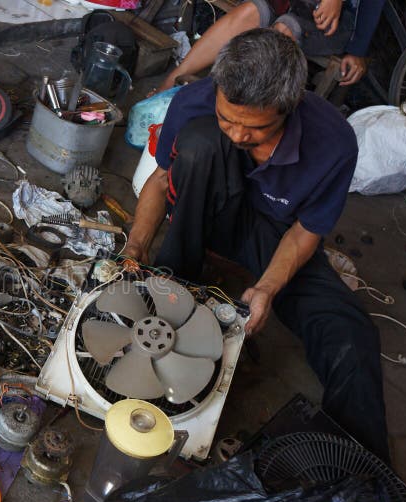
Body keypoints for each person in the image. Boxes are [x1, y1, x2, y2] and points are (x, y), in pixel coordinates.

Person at [123, 28, 390, 461]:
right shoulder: (194, 104)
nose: (238, 134)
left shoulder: (334, 141)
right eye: (228, 118)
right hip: (202, 209)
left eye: (255, 128)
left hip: (275, 232)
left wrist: (266, 288)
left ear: (289, 107)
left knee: (350, 332)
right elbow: (160, 179)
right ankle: (173, 288)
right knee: (201, 142)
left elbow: (306, 231)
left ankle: (358, 476)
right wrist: (135, 249)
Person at [154, 0, 384, 93]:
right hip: (293, 3)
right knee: (251, 12)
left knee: (285, 29)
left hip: (336, 22)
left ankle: (240, 108)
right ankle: (170, 83)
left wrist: (357, 51)